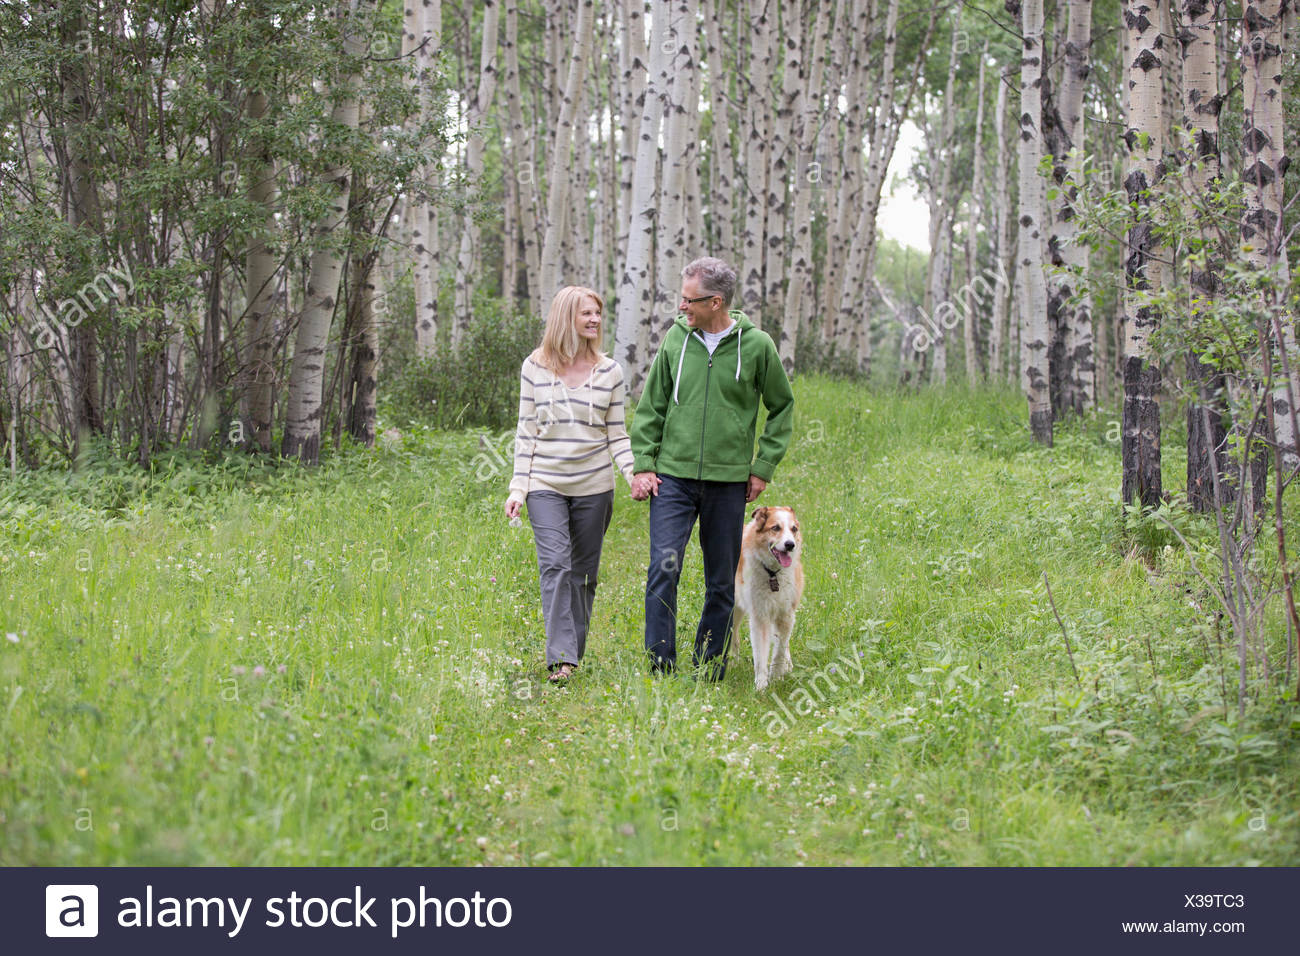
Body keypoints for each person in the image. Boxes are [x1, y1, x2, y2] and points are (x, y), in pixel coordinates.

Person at [628, 257, 795, 680]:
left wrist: (762, 466)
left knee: (721, 581)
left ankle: (709, 668)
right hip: (674, 478)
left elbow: (782, 407)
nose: (681, 307)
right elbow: (652, 406)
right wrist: (644, 464)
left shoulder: (757, 346)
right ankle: (660, 666)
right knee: (663, 569)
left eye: (688, 300)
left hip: (728, 483)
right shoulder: (674, 341)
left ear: (715, 301)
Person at [505, 286, 636, 683]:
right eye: (586, 313)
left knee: (584, 572)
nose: (595, 319)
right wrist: (518, 488)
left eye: (597, 313)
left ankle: (571, 653)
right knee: (556, 565)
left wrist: (634, 473)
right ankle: (562, 658)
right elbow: (526, 432)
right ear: (566, 317)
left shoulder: (610, 371)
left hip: (595, 486)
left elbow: (617, 433)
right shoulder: (535, 367)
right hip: (546, 483)